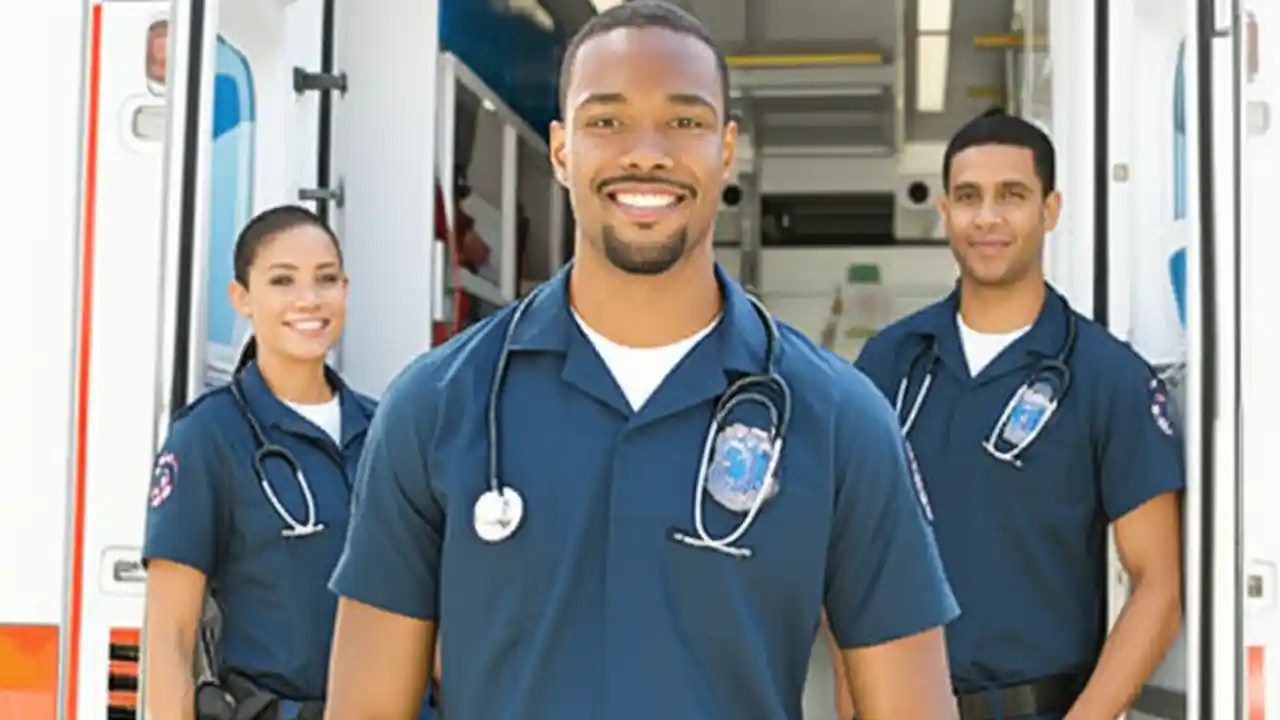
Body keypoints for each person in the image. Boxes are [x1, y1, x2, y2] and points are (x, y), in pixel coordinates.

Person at [322, 3, 961, 719]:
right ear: (562, 151)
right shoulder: (436, 406)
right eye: (607, 120)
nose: (646, 151)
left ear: (726, 149)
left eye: (685, 121)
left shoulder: (841, 420)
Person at [832, 110, 1185, 719]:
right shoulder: (890, 362)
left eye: (1012, 196)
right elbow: (848, 554)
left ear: (1050, 210)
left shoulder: (1107, 378)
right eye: (969, 197)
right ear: (944, 211)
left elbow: (1160, 582)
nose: (987, 218)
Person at [140, 205, 434, 719]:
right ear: (242, 298)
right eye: (282, 280)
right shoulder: (209, 437)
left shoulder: (389, 428)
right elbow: (171, 635)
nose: (308, 300)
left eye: (325, 280)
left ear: (345, 289)